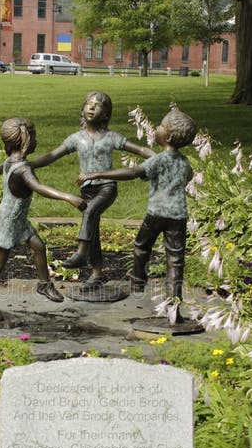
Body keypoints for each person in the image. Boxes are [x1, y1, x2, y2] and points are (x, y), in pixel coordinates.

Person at [79, 106, 197, 320]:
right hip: (178, 216)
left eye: (160, 126)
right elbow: (187, 178)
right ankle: (174, 305)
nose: (157, 129)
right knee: (175, 259)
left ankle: (138, 281)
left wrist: (97, 173)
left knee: (142, 246)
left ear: (168, 135)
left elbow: (133, 172)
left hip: (156, 214)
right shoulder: (185, 162)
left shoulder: (159, 159)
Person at [29, 91, 154, 289]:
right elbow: (52, 155)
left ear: (106, 114)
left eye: (98, 105)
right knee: (93, 229)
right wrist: (29, 165)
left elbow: (140, 150)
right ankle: (97, 273)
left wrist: (160, 158)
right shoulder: (76, 139)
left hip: (107, 187)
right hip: (87, 191)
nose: (92, 107)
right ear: (83, 109)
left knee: (90, 210)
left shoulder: (112, 137)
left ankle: (81, 253)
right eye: (89, 104)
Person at [0, 117, 86, 322]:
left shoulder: (11, 162)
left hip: (17, 218)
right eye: (35, 136)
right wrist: (69, 197)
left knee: (38, 246)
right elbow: (39, 188)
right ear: (26, 141)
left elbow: (0, 169)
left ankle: (44, 284)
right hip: (8, 221)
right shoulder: (22, 169)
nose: (37, 140)